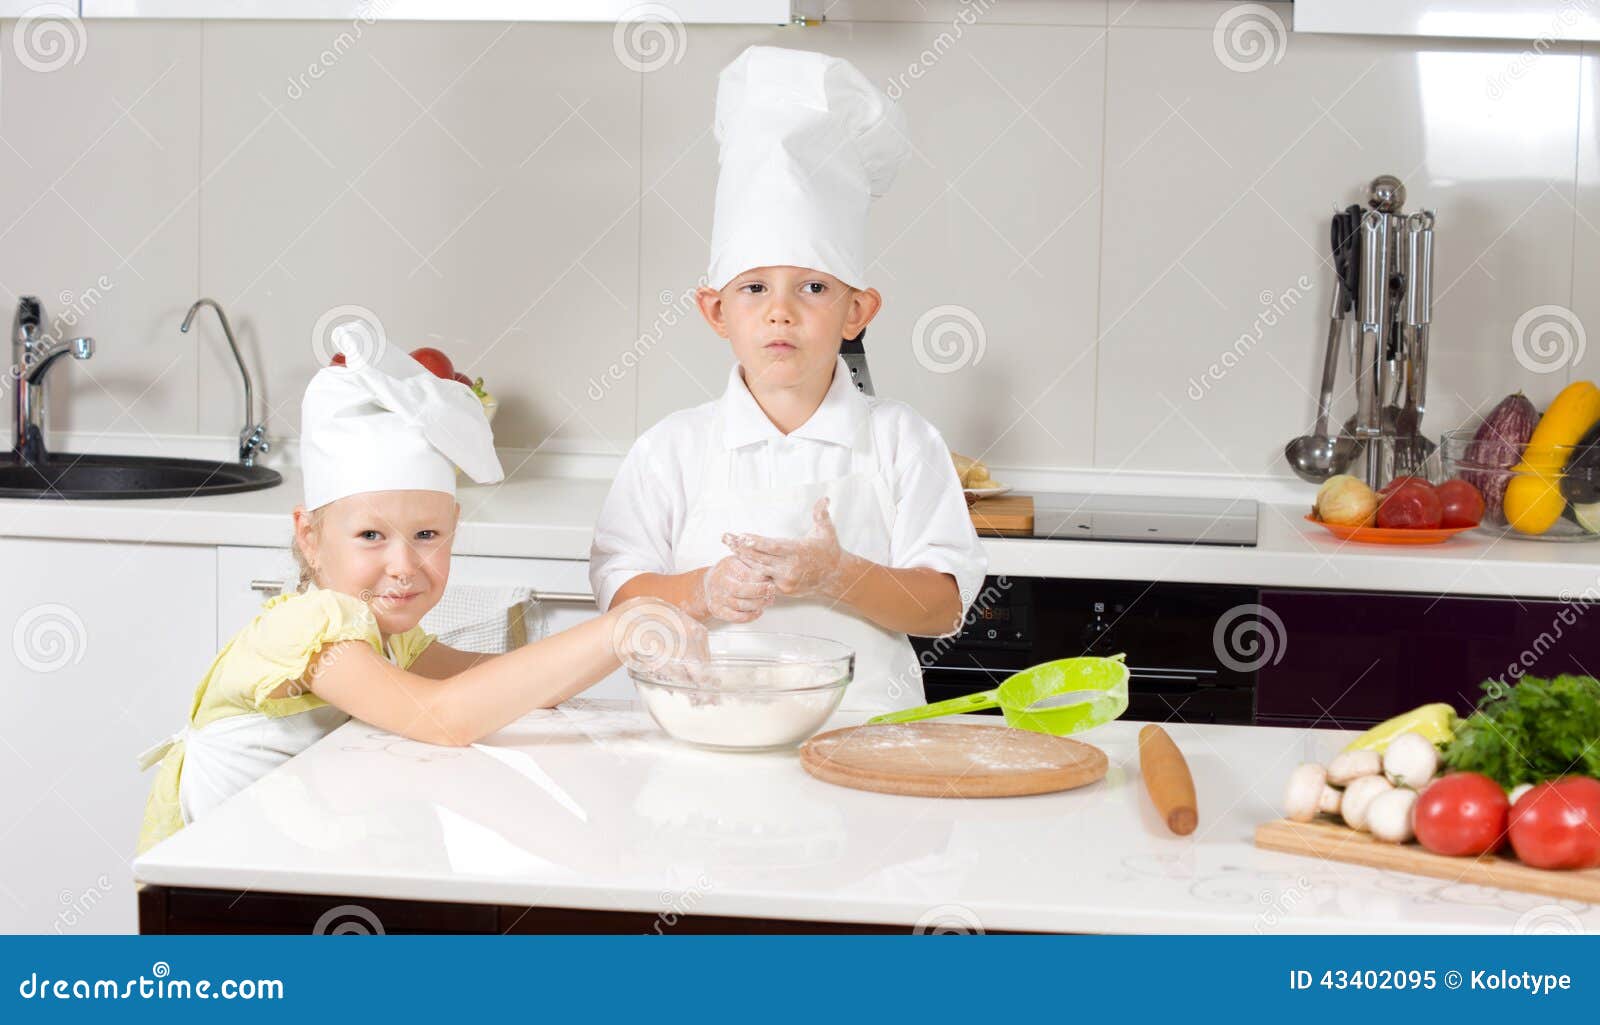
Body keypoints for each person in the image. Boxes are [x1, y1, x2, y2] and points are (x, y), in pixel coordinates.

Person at [137, 329, 699, 854]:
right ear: (309, 537)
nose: (403, 565)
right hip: (220, 890)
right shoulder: (310, 625)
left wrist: (636, 643)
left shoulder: (392, 638)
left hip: (297, 860)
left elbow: (513, 684)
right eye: (370, 536)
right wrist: (616, 627)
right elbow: (443, 717)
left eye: (427, 535)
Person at [590, 46, 986, 712]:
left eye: (812, 286)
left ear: (857, 310)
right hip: (702, 744)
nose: (781, 310)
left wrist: (839, 575)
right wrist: (703, 589)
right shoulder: (671, 451)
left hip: (864, 742)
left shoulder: (901, 442)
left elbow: (943, 606)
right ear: (715, 310)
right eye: (752, 287)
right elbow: (621, 595)